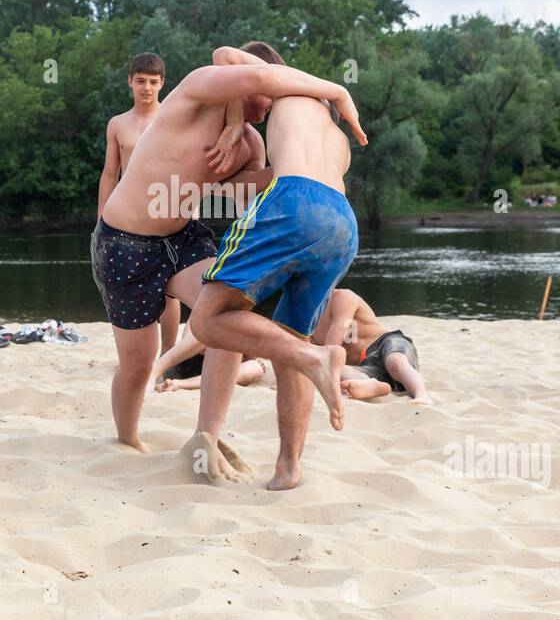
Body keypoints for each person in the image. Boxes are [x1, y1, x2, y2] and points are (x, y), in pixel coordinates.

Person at [92, 44, 363, 482]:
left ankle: (206, 436)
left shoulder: (252, 141)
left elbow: (243, 191)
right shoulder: (199, 91)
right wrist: (334, 92)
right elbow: (235, 64)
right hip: (126, 240)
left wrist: (263, 157)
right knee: (138, 364)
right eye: (267, 97)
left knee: (227, 317)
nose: (270, 106)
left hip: (183, 238)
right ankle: (128, 440)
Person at [188, 42, 367, 491]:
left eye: (251, 93)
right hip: (343, 224)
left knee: (208, 322)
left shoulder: (285, 91)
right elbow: (268, 180)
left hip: (296, 201)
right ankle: (289, 468)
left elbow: (224, 54)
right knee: (290, 340)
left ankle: (318, 357)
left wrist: (231, 123)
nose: (255, 110)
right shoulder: (330, 129)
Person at [98, 53, 181, 355]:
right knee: (127, 285)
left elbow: (185, 168)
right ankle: (133, 356)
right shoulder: (118, 125)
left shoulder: (172, 119)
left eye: (153, 82)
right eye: (141, 81)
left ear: (162, 84)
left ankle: (169, 353)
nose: (147, 87)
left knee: (170, 288)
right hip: (126, 218)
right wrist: (101, 222)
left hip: (167, 211)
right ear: (130, 81)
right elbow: (109, 174)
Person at [312, 289, 431, 405]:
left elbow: (332, 346)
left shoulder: (342, 297)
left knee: (395, 362)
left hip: (385, 343)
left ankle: (421, 394)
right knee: (339, 370)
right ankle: (369, 384)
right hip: (366, 367)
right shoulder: (308, 322)